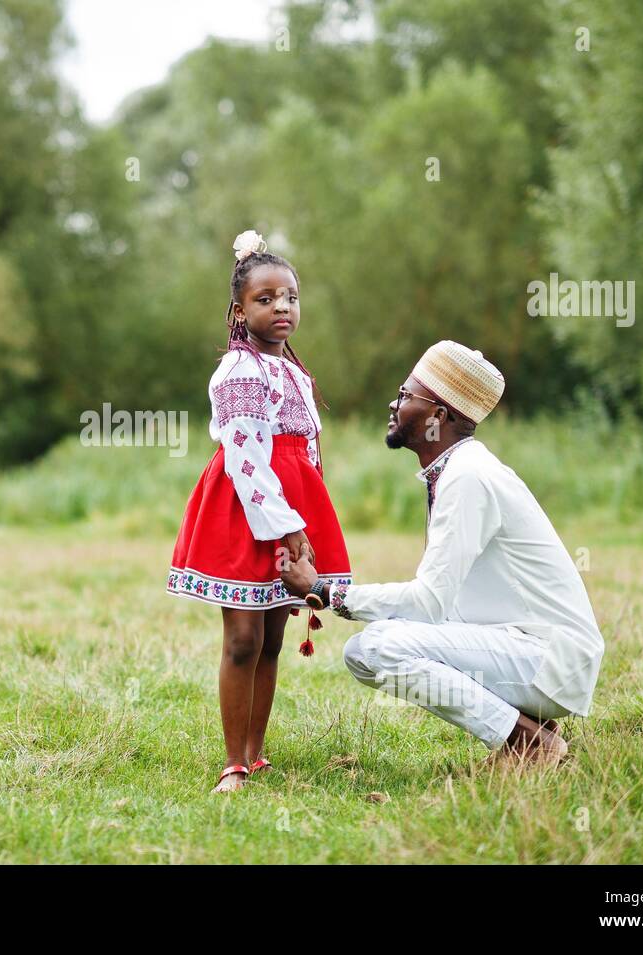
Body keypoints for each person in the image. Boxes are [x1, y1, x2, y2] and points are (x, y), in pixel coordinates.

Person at [280, 340, 604, 766]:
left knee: (377, 648)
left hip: (549, 660)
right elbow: (440, 608)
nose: (393, 404)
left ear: (438, 415)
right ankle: (529, 729)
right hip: (531, 653)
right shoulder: (454, 470)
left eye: (405, 395)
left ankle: (526, 744)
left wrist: (328, 591)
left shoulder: (469, 477)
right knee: (365, 650)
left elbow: (427, 603)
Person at [167, 229, 353, 792]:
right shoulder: (237, 371)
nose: (282, 308)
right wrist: (288, 525)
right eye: (265, 298)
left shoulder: (296, 373)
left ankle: (256, 750)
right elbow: (246, 456)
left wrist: (310, 516)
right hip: (250, 507)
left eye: (291, 297)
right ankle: (232, 762)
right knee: (243, 638)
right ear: (239, 308)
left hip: (294, 506)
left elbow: (308, 451)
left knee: (273, 639)